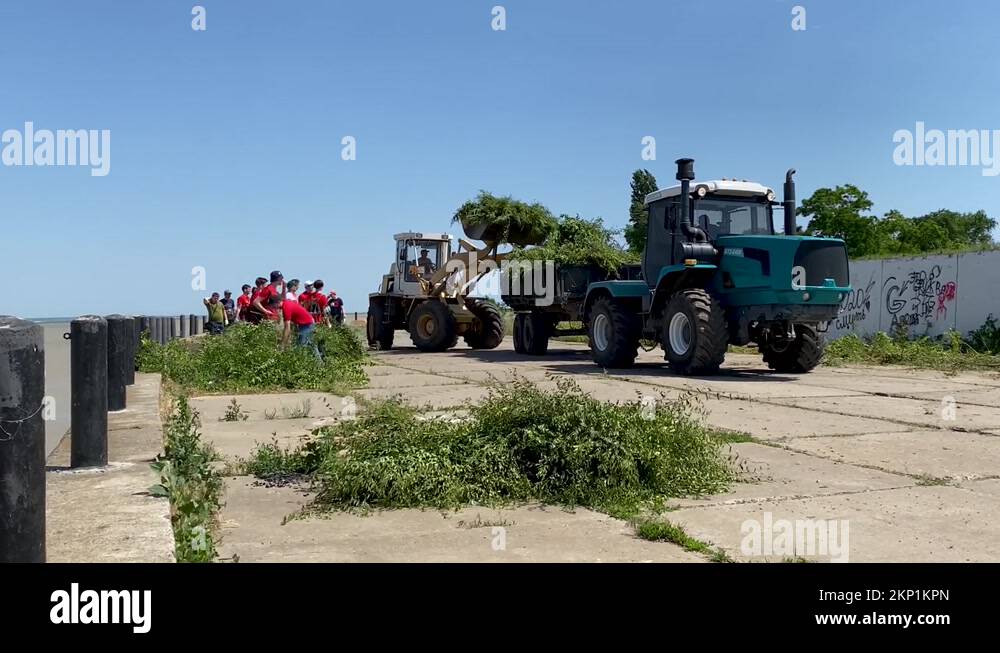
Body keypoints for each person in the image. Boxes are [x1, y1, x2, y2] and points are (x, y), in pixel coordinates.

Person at [282, 294, 321, 359]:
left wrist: (283, 344)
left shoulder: (286, 307)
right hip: (307, 323)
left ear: (277, 303)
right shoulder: (287, 303)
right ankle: (320, 364)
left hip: (307, 324)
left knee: (300, 346)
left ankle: (300, 364)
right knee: (311, 345)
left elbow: (287, 328)